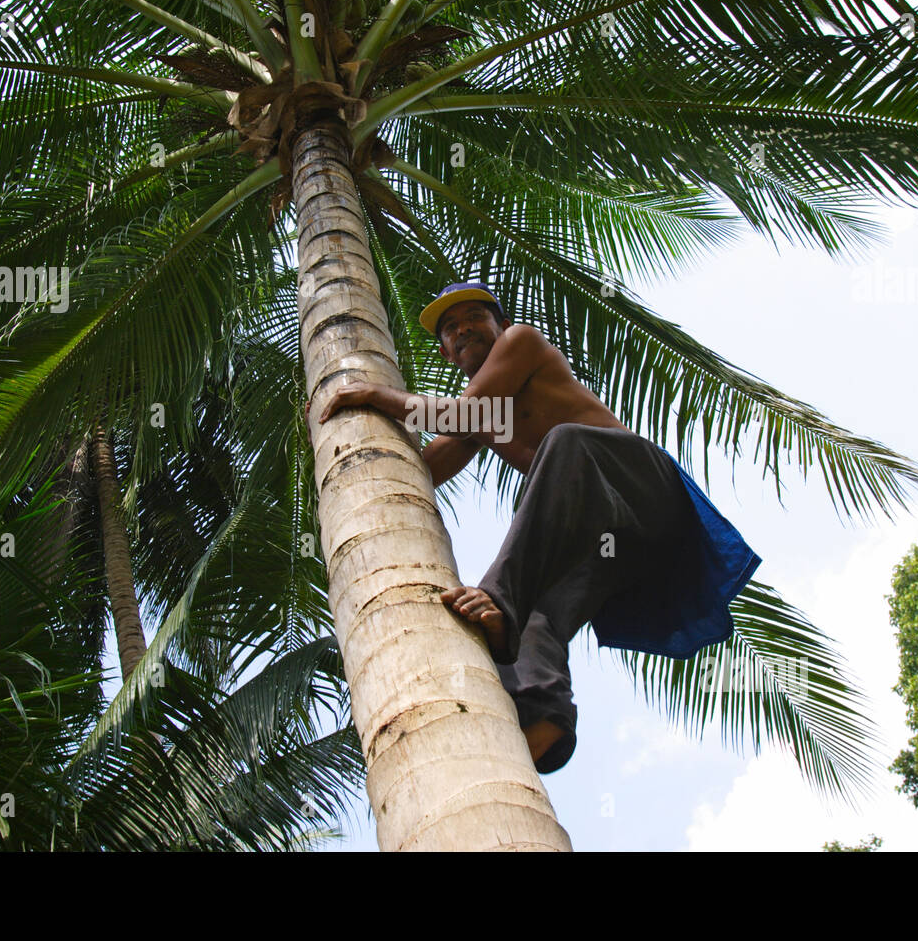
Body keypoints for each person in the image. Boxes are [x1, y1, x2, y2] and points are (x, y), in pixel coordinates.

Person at [309, 281, 762, 773]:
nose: (462, 330)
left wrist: (378, 394)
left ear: (500, 326)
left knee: (565, 443)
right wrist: (350, 479)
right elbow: (422, 471)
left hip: (640, 490)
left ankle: (500, 597)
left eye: (473, 318)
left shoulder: (521, 343)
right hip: (618, 547)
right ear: (445, 351)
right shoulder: (486, 417)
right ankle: (542, 719)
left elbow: (465, 414)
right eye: (450, 329)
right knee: (535, 619)